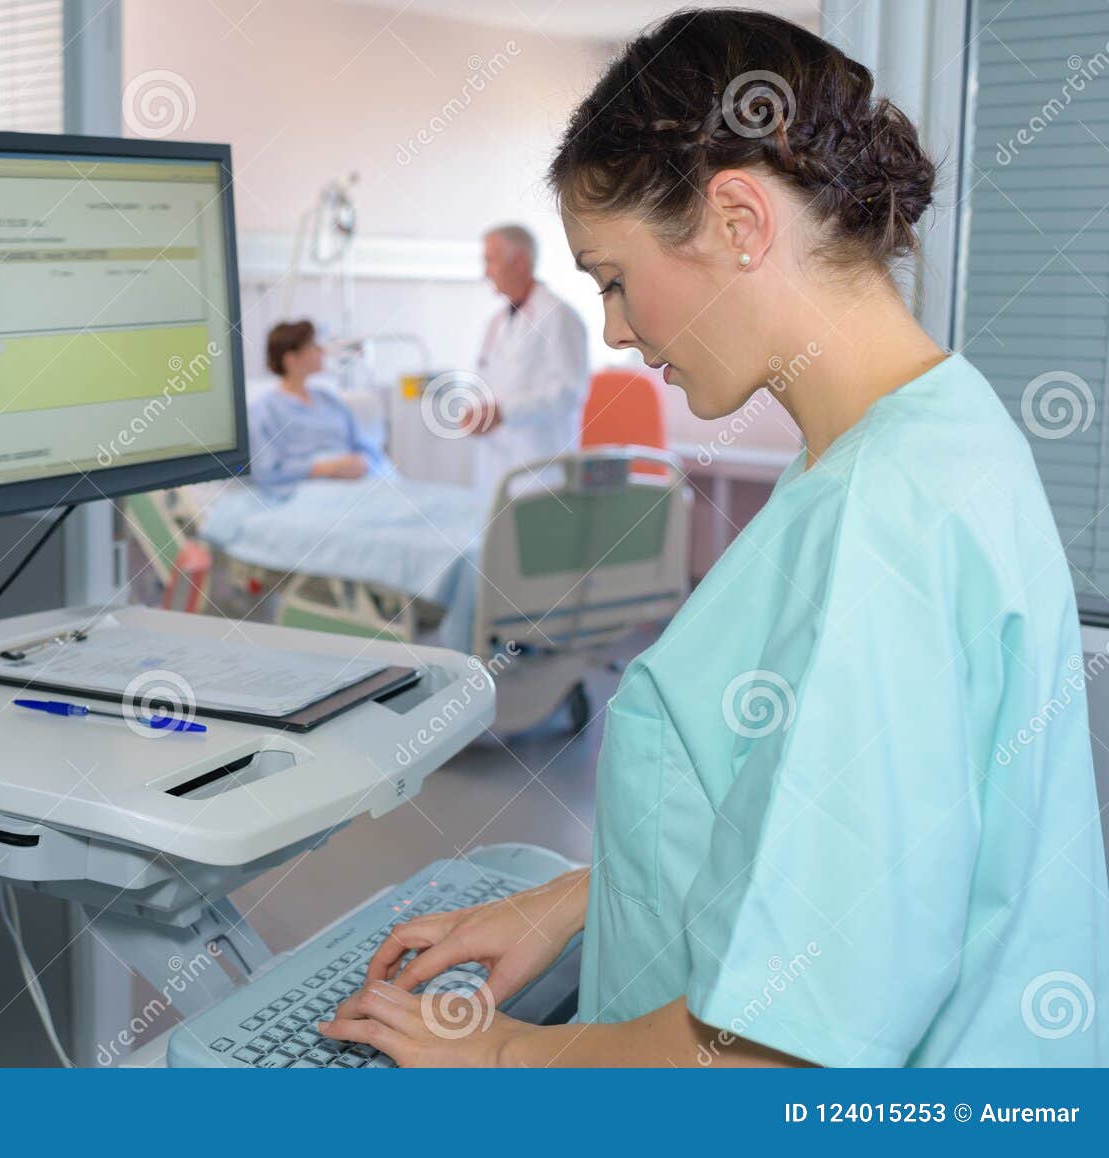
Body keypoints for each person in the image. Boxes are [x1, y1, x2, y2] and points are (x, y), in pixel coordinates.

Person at [319, 8, 1109, 1067]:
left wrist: (504, 1058)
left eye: (611, 275)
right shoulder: (926, 435)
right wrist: (572, 905)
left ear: (737, 221)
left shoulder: (881, 521)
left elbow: (762, 1056)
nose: (614, 328)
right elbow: (831, 842)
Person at [461, 223, 589, 491]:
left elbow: (568, 393)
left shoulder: (559, 317)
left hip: (541, 471)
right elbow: (489, 382)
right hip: (496, 468)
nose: (485, 272)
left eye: (491, 261)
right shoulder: (496, 323)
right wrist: (478, 412)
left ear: (519, 262)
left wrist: (505, 412)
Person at [248, 320, 392, 488]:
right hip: (308, 491)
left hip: (359, 482)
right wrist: (322, 468)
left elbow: (367, 448)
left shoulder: (330, 401)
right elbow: (265, 470)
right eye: (312, 346)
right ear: (291, 359)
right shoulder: (264, 410)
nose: (321, 350)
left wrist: (362, 463)